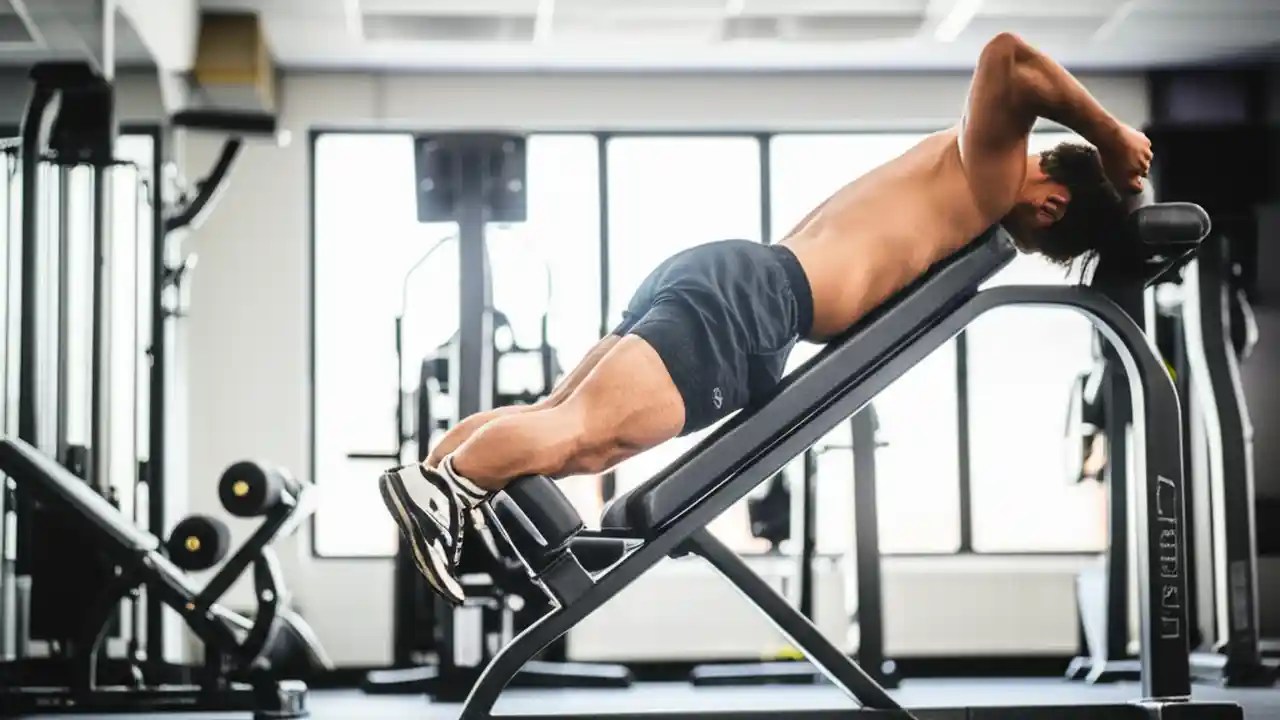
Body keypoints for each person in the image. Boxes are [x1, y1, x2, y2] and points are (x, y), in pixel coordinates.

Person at [378, 32, 1155, 604]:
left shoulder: (955, 165)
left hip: (734, 280)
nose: (1029, 237)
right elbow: (1006, 57)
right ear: (1053, 202)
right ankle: (442, 489)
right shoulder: (993, 177)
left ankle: (435, 481)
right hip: (756, 303)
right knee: (581, 431)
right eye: (1045, 236)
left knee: (568, 428)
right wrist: (1111, 133)